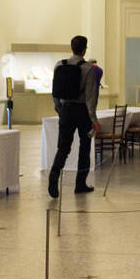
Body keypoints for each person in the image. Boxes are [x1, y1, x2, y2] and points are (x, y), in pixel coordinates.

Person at [49, 35, 101, 197]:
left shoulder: (60, 65)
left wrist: (59, 108)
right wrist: (94, 120)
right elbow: (90, 98)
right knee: (84, 148)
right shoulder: (88, 68)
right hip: (82, 112)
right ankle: (80, 184)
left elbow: (55, 91)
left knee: (63, 147)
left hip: (66, 110)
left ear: (72, 48)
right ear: (85, 49)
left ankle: (54, 175)